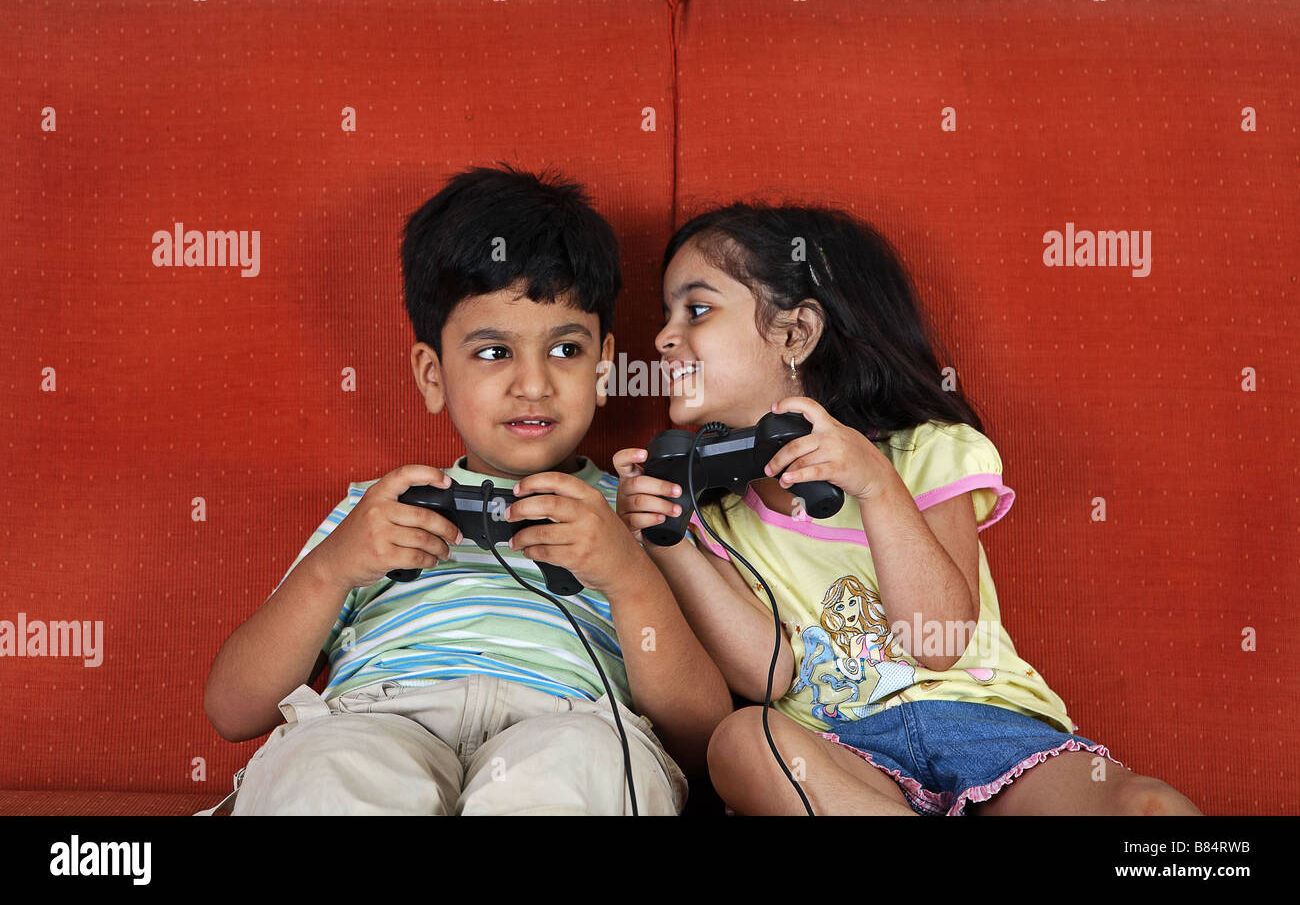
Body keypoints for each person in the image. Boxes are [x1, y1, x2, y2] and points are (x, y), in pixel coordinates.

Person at [613, 202, 1202, 816]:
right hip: (841, 758)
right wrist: (671, 540)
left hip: (989, 731)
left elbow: (936, 640)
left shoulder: (926, 451)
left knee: (1149, 809)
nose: (661, 337)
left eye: (697, 310)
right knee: (743, 741)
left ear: (795, 334)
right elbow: (771, 676)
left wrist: (876, 485)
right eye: (667, 313)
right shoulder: (719, 515)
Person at [202, 164, 732, 815]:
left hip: (571, 720)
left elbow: (705, 736)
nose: (533, 383)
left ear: (604, 369)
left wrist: (629, 576)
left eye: (566, 350)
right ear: (432, 374)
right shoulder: (377, 512)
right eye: (492, 352)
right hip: (381, 715)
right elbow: (233, 710)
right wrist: (334, 566)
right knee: (325, 769)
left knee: (584, 770)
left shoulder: (639, 510)